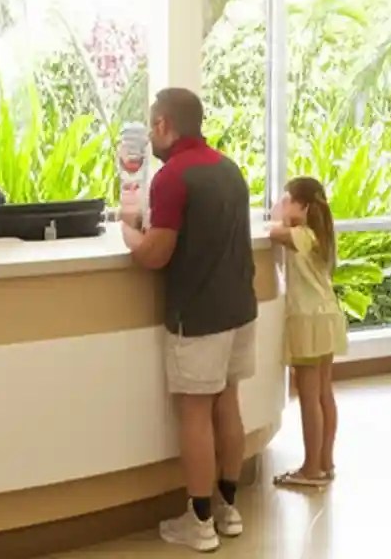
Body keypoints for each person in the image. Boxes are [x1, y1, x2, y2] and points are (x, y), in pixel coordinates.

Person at [121, 88, 256, 553]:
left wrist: (128, 231)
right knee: (228, 402)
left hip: (196, 314)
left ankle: (198, 522)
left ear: (162, 125)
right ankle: (228, 509)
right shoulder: (228, 168)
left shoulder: (172, 176)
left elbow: (156, 255)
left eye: (152, 123)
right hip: (240, 307)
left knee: (195, 413)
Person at [268, 176, 347, 488]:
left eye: (288, 199)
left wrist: (282, 216)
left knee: (309, 397)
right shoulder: (320, 235)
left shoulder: (299, 235)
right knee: (324, 393)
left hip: (306, 319)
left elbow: (273, 232)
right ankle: (325, 461)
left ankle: (310, 468)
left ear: (303, 206)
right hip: (327, 315)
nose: (282, 205)